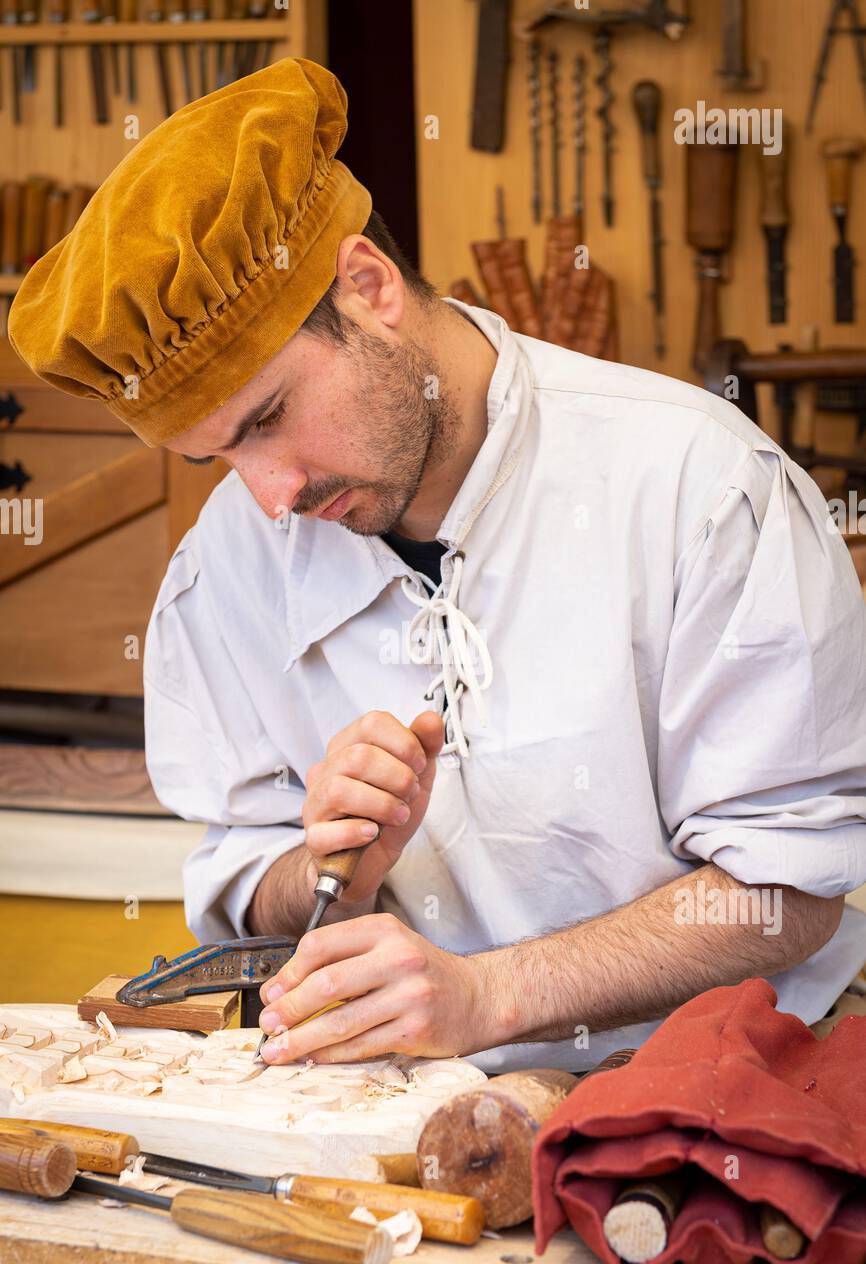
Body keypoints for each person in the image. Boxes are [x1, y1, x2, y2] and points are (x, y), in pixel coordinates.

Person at [9, 59, 866, 1074]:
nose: (269, 495)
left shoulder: (699, 485)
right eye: (213, 457)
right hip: (377, 1118)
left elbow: (786, 886)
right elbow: (243, 885)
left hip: (698, 1110)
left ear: (366, 288)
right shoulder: (223, 570)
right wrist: (328, 866)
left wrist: (490, 992)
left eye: (270, 418)